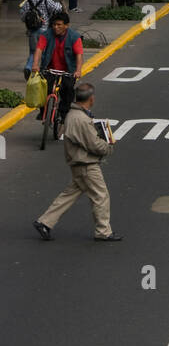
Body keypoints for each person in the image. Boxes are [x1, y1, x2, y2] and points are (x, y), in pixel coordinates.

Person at [33, 80, 121, 242]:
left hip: (77, 163)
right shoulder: (80, 119)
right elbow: (93, 144)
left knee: (69, 195)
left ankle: (44, 222)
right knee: (101, 196)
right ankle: (103, 231)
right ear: (91, 99)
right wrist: (107, 146)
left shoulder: (73, 115)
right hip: (86, 164)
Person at [33, 11, 83, 126]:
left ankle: (64, 114)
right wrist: (35, 65)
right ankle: (43, 112)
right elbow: (39, 50)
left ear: (66, 25)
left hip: (68, 71)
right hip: (49, 69)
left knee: (68, 91)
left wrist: (78, 70)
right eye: (54, 24)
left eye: (59, 25)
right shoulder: (46, 35)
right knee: (43, 91)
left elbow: (79, 55)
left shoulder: (74, 37)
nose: (56, 27)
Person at [20, 0, 64, 79]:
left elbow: (23, 16)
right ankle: (43, 71)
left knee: (33, 51)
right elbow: (58, 8)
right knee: (44, 52)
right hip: (44, 31)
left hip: (32, 31)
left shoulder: (28, 1)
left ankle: (28, 67)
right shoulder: (46, 0)